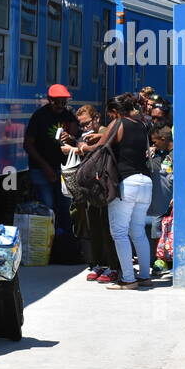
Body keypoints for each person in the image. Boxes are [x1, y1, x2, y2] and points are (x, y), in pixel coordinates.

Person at [88, 93, 154, 289]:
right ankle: (144, 275)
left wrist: (81, 147)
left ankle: (127, 278)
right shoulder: (141, 124)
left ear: (115, 112)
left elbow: (100, 148)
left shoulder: (118, 124)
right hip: (145, 182)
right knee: (138, 232)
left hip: (127, 183)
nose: (109, 117)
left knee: (119, 232)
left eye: (110, 113)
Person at [65, 104, 120, 283]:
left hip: (102, 185)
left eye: (87, 123)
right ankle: (98, 263)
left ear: (96, 119)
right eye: (81, 125)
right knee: (94, 226)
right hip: (91, 186)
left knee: (106, 227)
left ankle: (112, 265)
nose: (85, 127)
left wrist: (77, 149)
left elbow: (101, 148)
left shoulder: (105, 131)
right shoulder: (87, 134)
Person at [24, 84, 77, 239]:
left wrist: (71, 138)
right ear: (49, 100)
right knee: (47, 208)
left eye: (63, 102)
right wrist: (45, 166)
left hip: (63, 169)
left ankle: (64, 242)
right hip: (41, 169)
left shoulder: (69, 115)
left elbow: (75, 138)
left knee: (65, 208)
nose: (60, 105)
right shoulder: (39, 116)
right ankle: (47, 241)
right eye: (57, 102)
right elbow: (28, 144)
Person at [146, 125, 174, 275]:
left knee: (164, 230)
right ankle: (160, 260)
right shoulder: (162, 155)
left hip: (170, 202)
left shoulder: (176, 155)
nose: (154, 145)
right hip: (161, 202)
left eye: (155, 142)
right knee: (157, 229)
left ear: (163, 139)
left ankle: (164, 261)